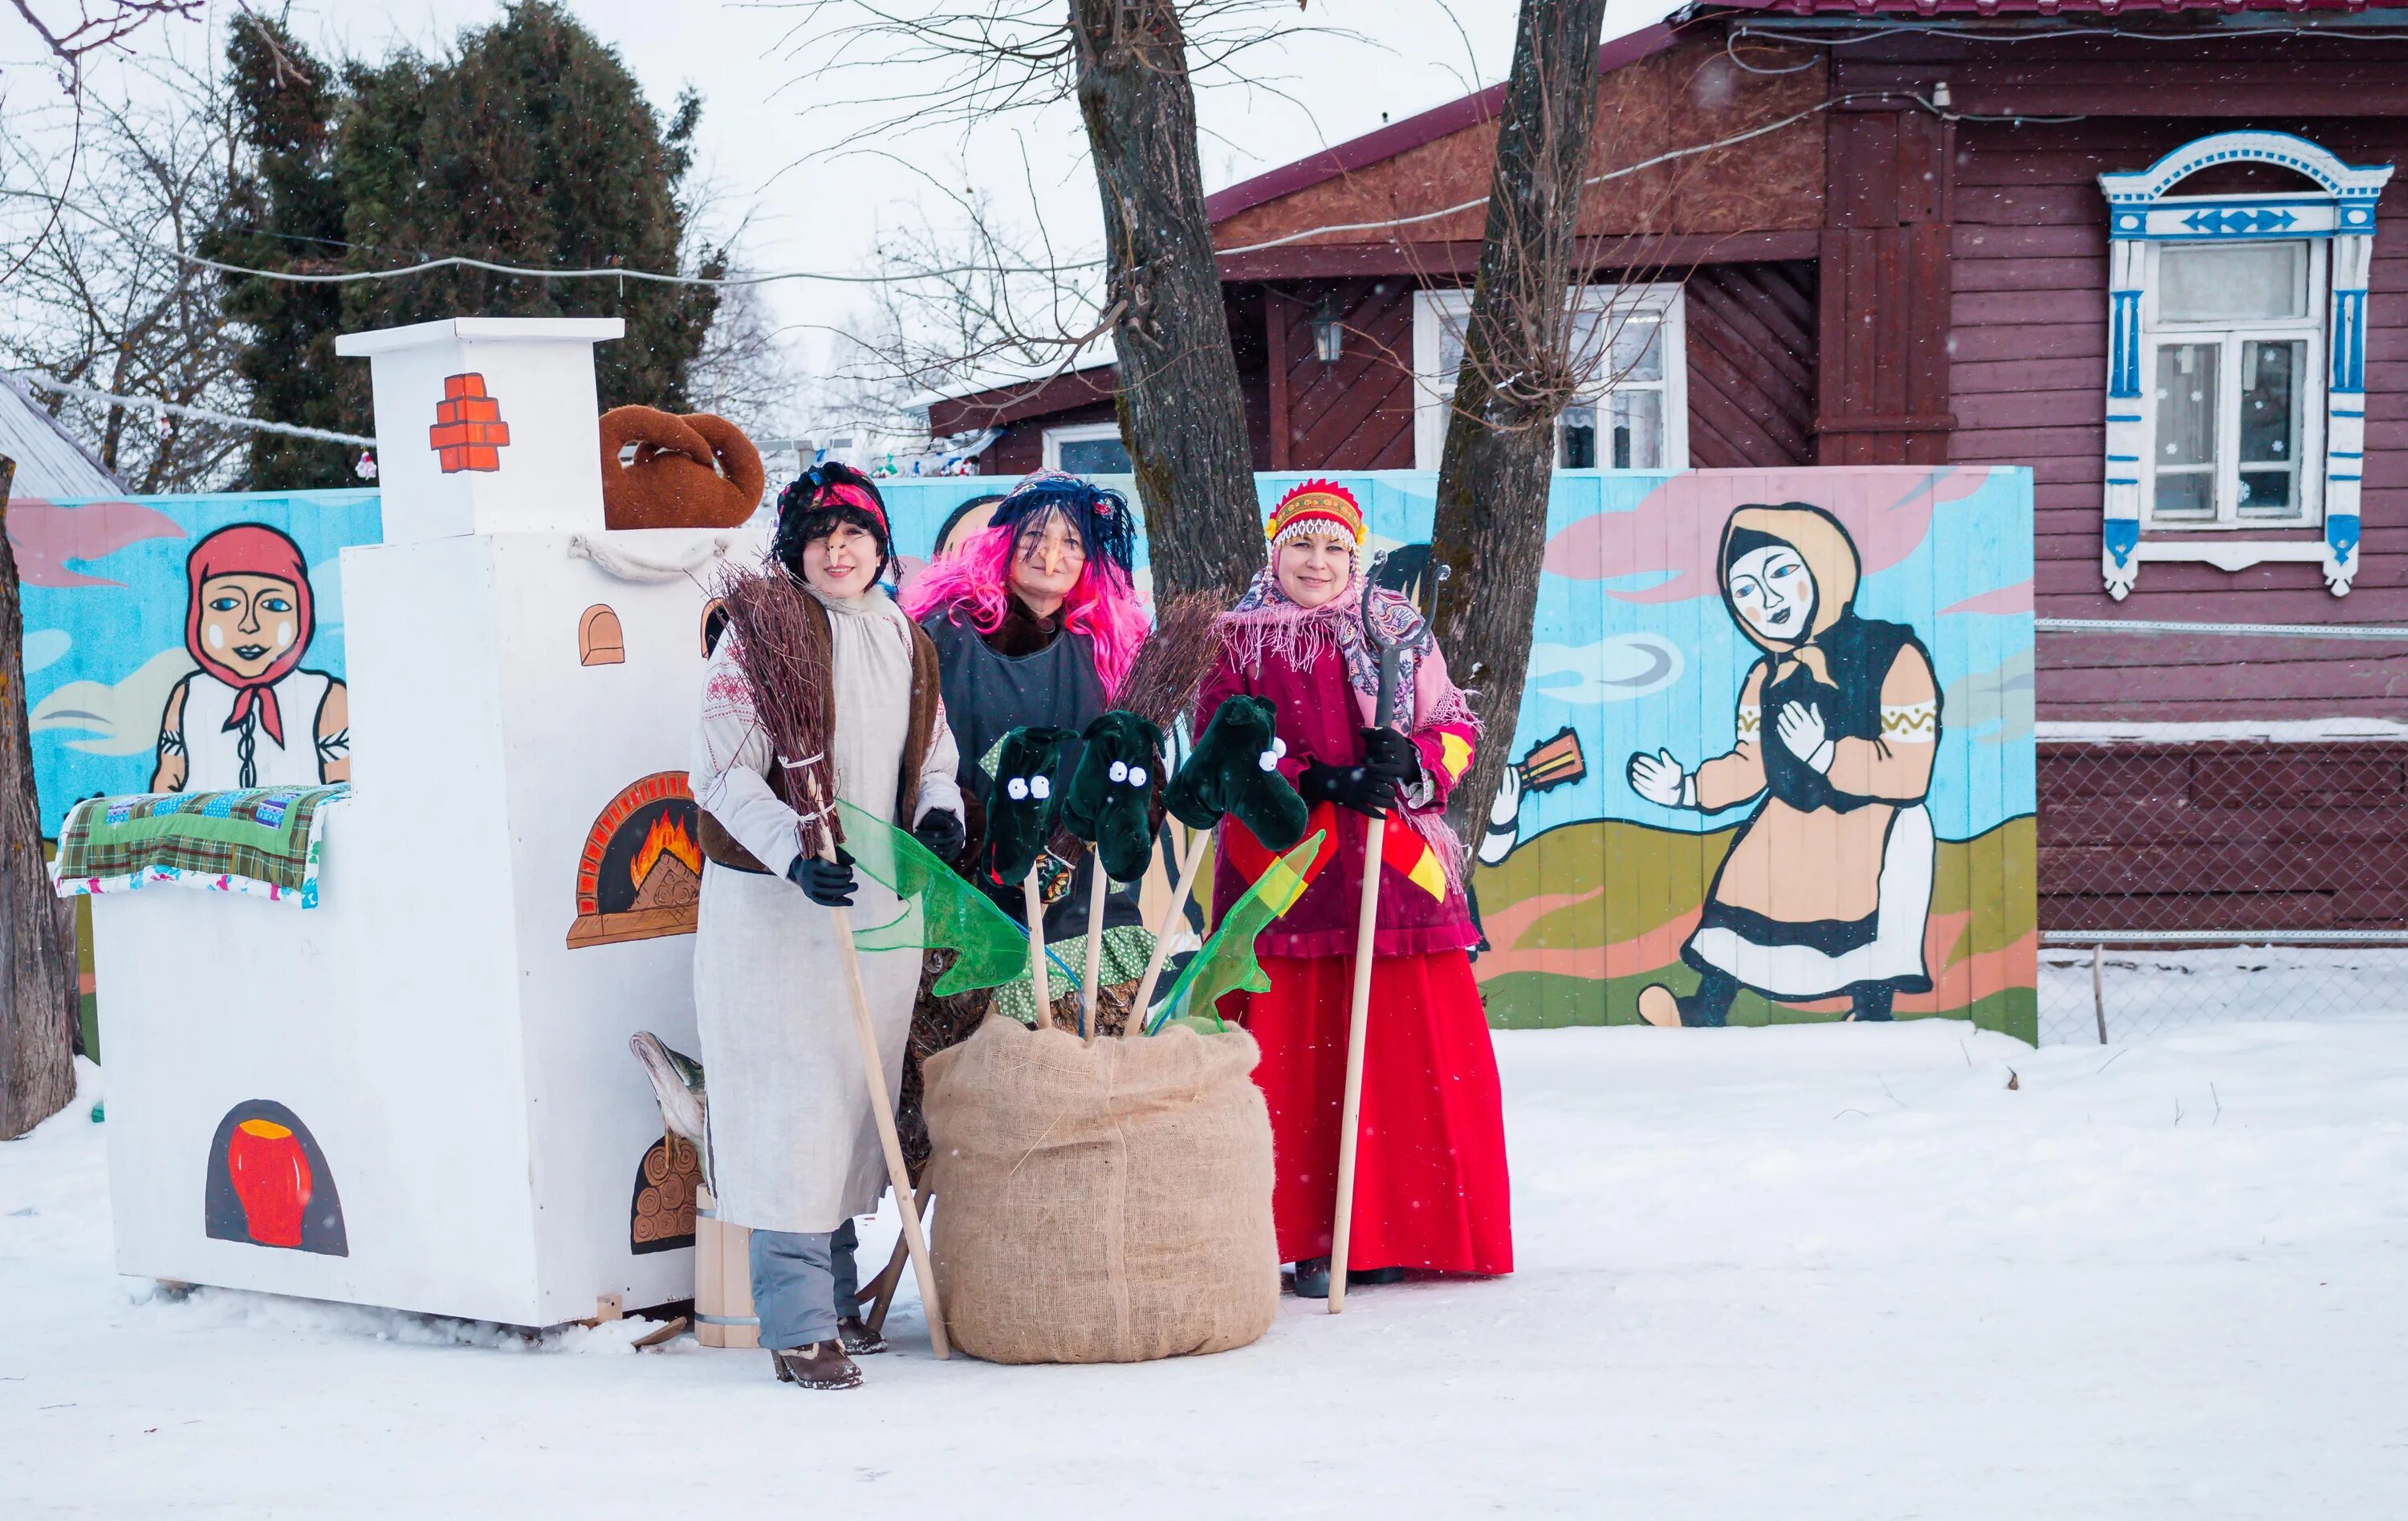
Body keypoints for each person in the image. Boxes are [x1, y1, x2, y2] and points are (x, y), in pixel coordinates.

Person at [1194, 479, 1511, 1298]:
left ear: (1357, 555)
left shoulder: (1398, 628)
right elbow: (1221, 747)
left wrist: (1415, 760)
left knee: (1403, 1051)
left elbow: (1456, 727)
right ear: (1275, 549)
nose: (1319, 561)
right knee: (1299, 1053)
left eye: (1336, 546)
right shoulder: (1237, 640)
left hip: (1391, 863)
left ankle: (1409, 1222)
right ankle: (1308, 1229)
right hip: (1287, 863)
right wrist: (1318, 774)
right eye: (1303, 543)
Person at [689, 462, 966, 1390]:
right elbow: (721, 773)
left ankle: (839, 1300)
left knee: (853, 1105)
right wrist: (794, 852)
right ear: (794, 548)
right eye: (820, 534)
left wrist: (939, 811)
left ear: (882, 546)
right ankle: (797, 1319)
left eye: (855, 533)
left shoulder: (905, 635)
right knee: (791, 1109)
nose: (839, 549)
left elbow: (934, 751)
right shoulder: (761, 637)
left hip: (878, 908)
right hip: (777, 915)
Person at [1627, 502, 1938, 1027]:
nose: (1765, 600)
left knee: (1870, 912)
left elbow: (1911, 771)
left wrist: (1828, 754)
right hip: (1791, 818)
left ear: (1821, 566)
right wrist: (1686, 789)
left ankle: (1872, 1010)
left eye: (1780, 573)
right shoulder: (1765, 678)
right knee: (1744, 889)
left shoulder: (1893, 655)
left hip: (1877, 819)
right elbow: (1750, 765)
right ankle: (1706, 1008)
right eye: (1745, 589)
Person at [900, 470, 1153, 1038]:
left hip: (1082, 898)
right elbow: (919, 752)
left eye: (1071, 541)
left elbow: (1138, 770)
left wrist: (1113, 826)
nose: (1050, 554)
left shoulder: (1108, 646)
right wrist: (973, 838)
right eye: (1034, 536)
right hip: (969, 891)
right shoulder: (947, 633)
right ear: (1004, 541)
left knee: (1075, 1072)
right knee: (970, 1073)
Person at [152, 523, 349, 792]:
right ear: (198, 612)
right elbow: (167, 783)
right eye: (225, 604)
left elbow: (344, 791)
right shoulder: (188, 695)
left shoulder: (325, 696)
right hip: (209, 834)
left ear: (301, 611)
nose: (249, 624)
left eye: (274, 605)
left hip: (298, 835)